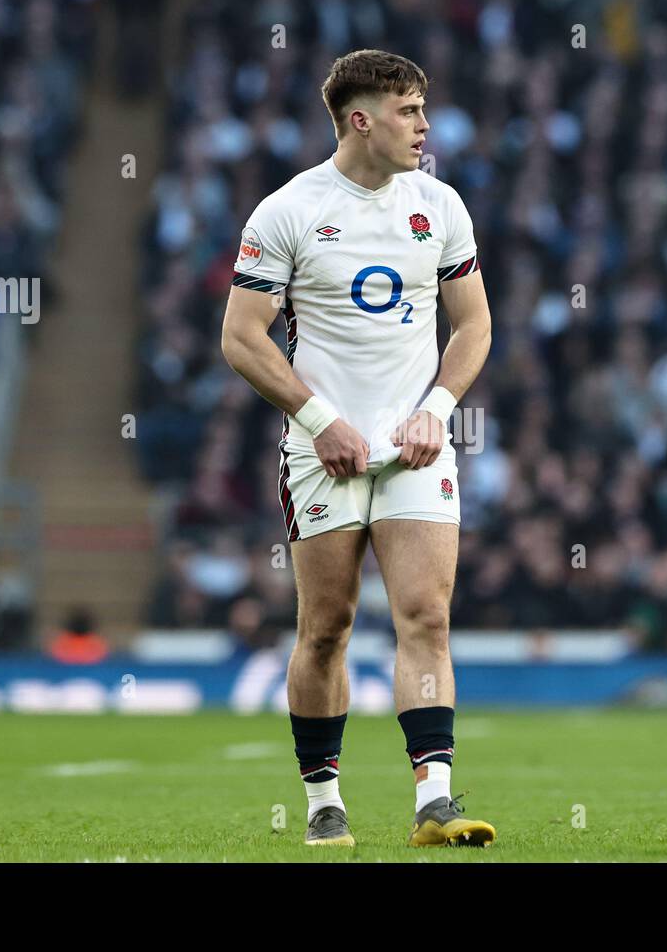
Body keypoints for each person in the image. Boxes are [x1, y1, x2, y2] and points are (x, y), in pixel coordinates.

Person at [220, 50, 494, 847]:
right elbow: (241, 337)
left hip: (415, 446)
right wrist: (317, 421)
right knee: (328, 627)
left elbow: (474, 325)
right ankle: (323, 802)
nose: (425, 125)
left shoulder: (438, 205)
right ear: (360, 119)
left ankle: (434, 801)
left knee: (425, 614)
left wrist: (436, 410)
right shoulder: (288, 211)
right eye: (409, 110)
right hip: (324, 452)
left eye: (424, 109)